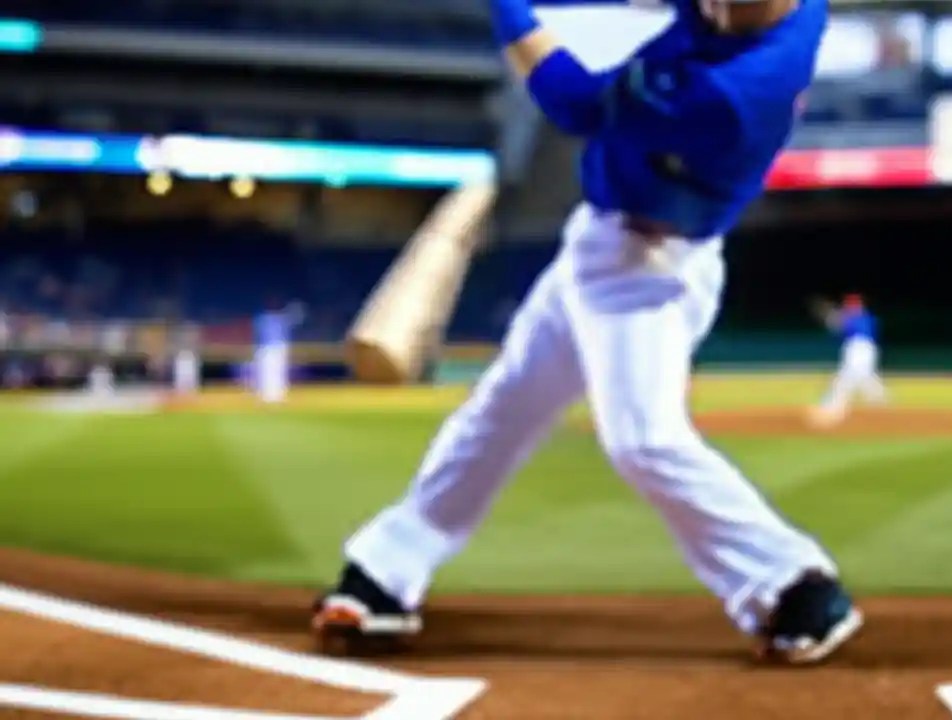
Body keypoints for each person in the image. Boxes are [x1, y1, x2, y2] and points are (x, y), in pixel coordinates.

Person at [313, 0, 861, 664]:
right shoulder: (771, 16)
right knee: (500, 413)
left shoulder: (737, 93)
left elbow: (571, 100)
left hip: (649, 268)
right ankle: (386, 573)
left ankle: (794, 582)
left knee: (642, 440)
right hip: (600, 242)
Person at [808, 293, 888, 426]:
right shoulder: (859, 317)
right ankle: (882, 406)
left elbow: (845, 328)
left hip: (859, 349)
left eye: (852, 305)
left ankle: (832, 411)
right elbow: (840, 332)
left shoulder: (862, 318)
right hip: (862, 349)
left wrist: (833, 319)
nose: (850, 307)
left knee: (846, 378)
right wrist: (835, 320)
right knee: (866, 378)